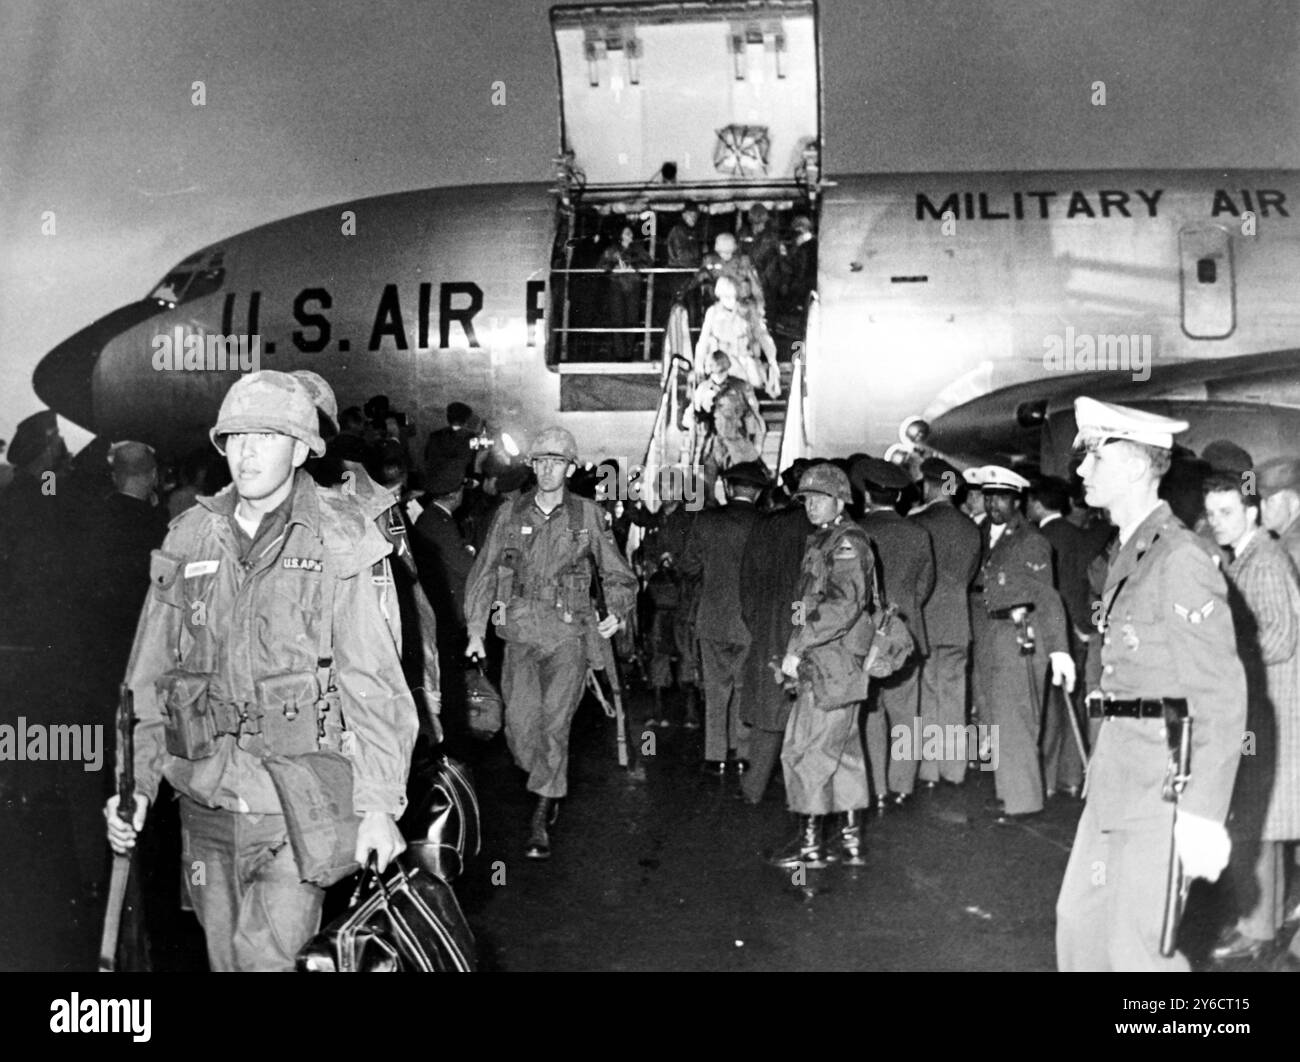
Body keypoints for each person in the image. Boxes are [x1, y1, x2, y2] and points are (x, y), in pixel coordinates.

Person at [104, 370, 417, 972]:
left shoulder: (340, 537)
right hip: (205, 802)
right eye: (236, 436)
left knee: (267, 961)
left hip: (296, 806)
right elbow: (146, 678)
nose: (246, 452)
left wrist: (379, 803)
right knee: (227, 963)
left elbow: (372, 680)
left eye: (266, 436)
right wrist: (135, 787)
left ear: (300, 449)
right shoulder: (191, 535)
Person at [1056, 397, 1246, 972]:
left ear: (1137, 466)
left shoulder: (1180, 558)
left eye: (1093, 455)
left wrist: (1203, 816)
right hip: (1117, 771)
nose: (1082, 470)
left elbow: (1221, 695)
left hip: (1163, 784)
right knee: (1081, 927)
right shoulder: (1134, 549)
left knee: (1138, 951)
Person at [462, 426, 636, 860]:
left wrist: (617, 610)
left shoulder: (588, 516)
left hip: (569, 633)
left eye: (556, 462)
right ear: (532, 466)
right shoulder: (509, 512)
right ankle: (543, 779)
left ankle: (542, 811)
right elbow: (484, 572)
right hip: (519, 631)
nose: (547, 469)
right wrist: (474, 629)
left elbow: (617, 573)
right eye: (540, 461)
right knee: (520, 727)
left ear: (570, 467)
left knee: (555, 725)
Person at [1200, 471, 1300, 965]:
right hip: (1266, 710)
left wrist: (1226, 658)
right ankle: (1264, 921)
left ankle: (1256, 927)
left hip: (1269, 711)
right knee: (1267, 820)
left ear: (1252, 513)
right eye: (1212, 512)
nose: (1217, 522)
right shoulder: (1249, 557)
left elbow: (1280, 640)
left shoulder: (1263, 562)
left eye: (1227, 513)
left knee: (1255, 816)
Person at [770, 463, 874, 868]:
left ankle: (810, 847)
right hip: (834, 663)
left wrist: (798, 645)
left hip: (830, 663)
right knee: (844, 752)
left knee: (805, 750)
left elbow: (842, 606)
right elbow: (808, 603)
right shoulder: (825, 540)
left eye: (817, 497)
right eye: (805, 499)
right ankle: (850, 843)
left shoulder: (846, 544)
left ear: (839, 500)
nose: (809, 505)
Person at [972, 466, 1073, 822]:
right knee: (998, 715)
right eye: (987, 495)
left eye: (1001, 496)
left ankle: (1023, 801)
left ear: (1018, 500)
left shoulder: (1031, 541)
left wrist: (1059, 648)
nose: (992, 503)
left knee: (1018, 718)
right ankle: (1008, 792)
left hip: (1022, 633)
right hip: (991, 632)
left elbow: (1047, 597)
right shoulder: (982, 533)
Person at [852, 456, 934, 808]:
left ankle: (877, 786)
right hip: (906, 631)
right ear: (899, 498)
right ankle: (903, 785)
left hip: (865, 635)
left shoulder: (855, 532)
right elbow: (925, 584)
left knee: (870, 710)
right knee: (906, 713)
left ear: (867, 497)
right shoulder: (919, 533)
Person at [679, 461, 767, 773]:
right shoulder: (766, 523)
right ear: (757, 492)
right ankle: (741, 752)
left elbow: (688, 566)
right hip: (751, 622)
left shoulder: (706, 520)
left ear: (728, 488)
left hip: (712, 617)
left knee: (716, 689)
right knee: (744, 688)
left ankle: (715, 756)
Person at [736, 470, 811, 804]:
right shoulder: (830, 530)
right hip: (811, 625)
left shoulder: (768, 525)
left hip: (772, 625)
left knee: (770, 714)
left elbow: (748, 585)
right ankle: (804, 794)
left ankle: (754, 788)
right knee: (812, 715)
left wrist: (760, 622)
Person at [910, 457, 981, 788]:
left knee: (925, 695)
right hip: (957, 621)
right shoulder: (970, 528)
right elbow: (969, 576)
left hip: (923, 622)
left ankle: (926, 770)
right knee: (954, 695)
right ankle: (954, 769)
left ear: (927, 485)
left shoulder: (916, 523)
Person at [1026, 475, 1092, 798]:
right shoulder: (1078, 535)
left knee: (1048, 706)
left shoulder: (1036, 539)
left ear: (1038, 504)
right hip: (1080, 629)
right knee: (1074, 704)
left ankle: (1047, 779)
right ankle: (1072, 776)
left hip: (1051, 632)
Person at [600, 224, 654, 359]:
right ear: (620, 235)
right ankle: (620, 354)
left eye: (630, 233)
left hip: (633, 286)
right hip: (616, 286)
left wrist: (634, 268)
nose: (629, 235)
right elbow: (601, 265)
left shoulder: (638, 250)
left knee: (632, 319)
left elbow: (649, 263)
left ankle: (628, 353)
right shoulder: (612, 250)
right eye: (626, 233)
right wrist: (613, 268)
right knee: (618, 319)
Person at [1257, 456, 1300, 574]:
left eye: (1269, 501)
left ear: (1293, 502)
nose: (1261, 509)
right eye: (1260, 501)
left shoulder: (1291, 550)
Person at [424, 401, 478, 480]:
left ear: (448, 418)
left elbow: (428, 457)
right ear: (466, 419)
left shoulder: (434, 435)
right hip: (458, 479)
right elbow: (472, 460)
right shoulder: (472, 437)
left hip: (435, 479)